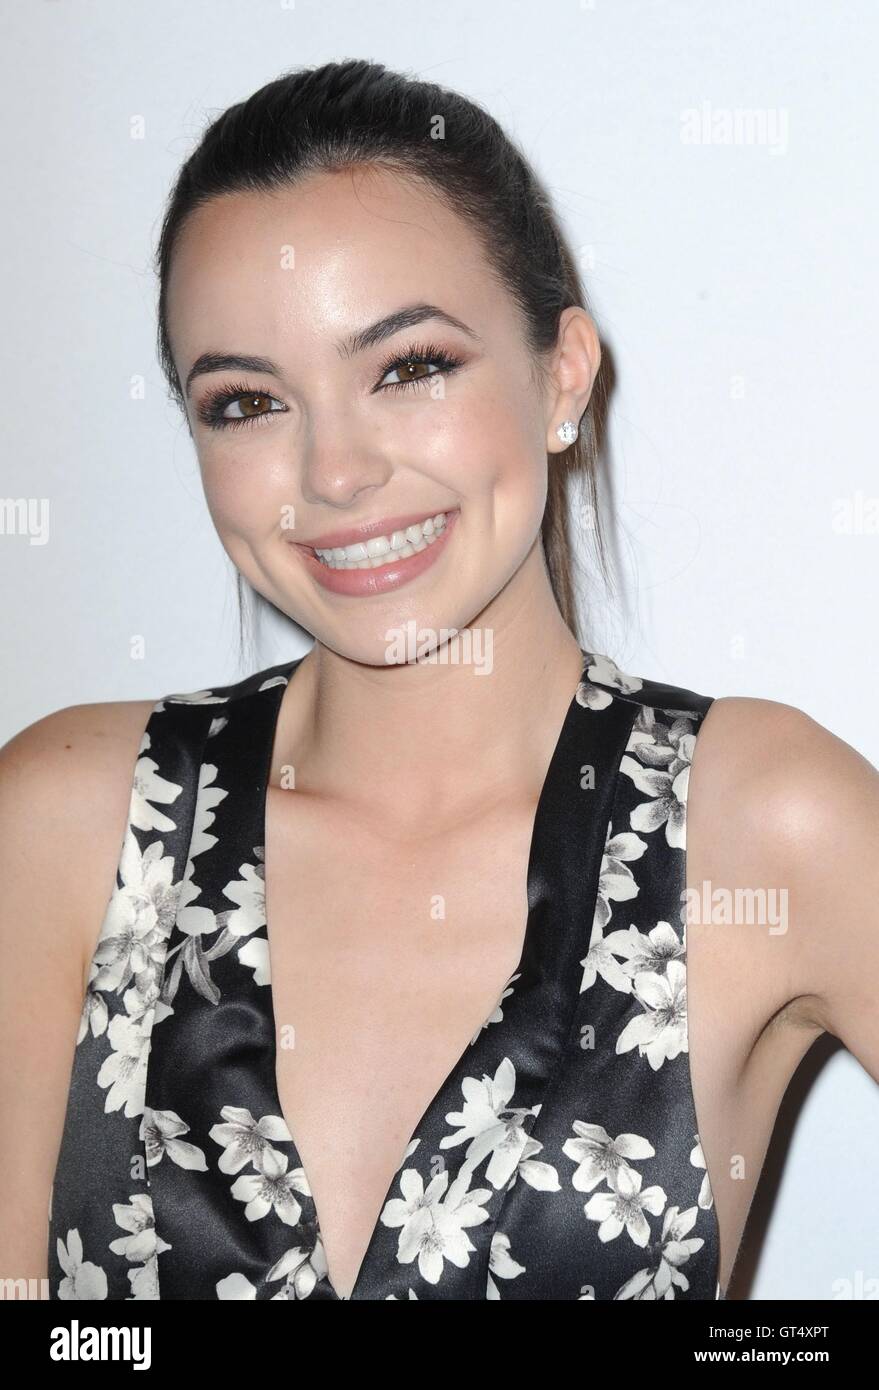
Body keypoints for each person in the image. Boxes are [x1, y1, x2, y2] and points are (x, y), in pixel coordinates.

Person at [1, 59, 876, 1303]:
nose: (337, 470)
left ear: (562, 375)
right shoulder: (64, 820)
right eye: (246, 400)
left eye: (408, 366)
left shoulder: (761, 824)